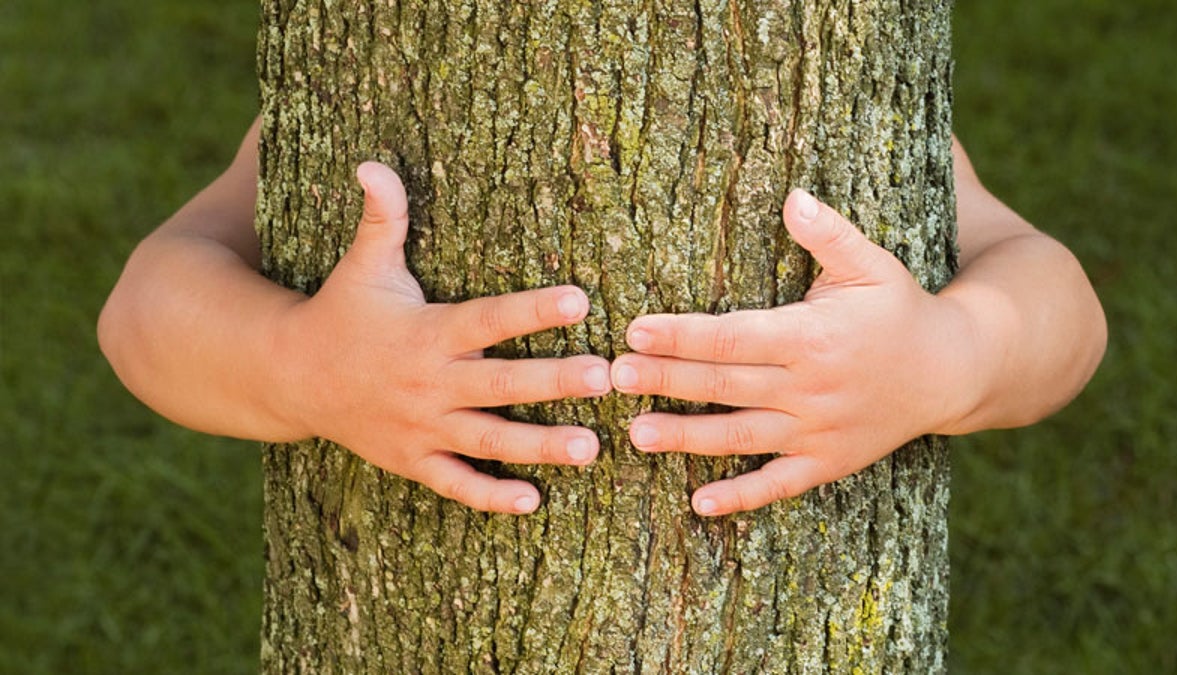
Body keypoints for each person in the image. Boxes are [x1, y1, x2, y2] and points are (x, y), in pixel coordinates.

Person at [97, 117, 1107, 517]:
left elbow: (1055, 295)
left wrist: (953, 354)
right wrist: (299, 365)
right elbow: (142, 310)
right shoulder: (346, 87)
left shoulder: (851, 96)